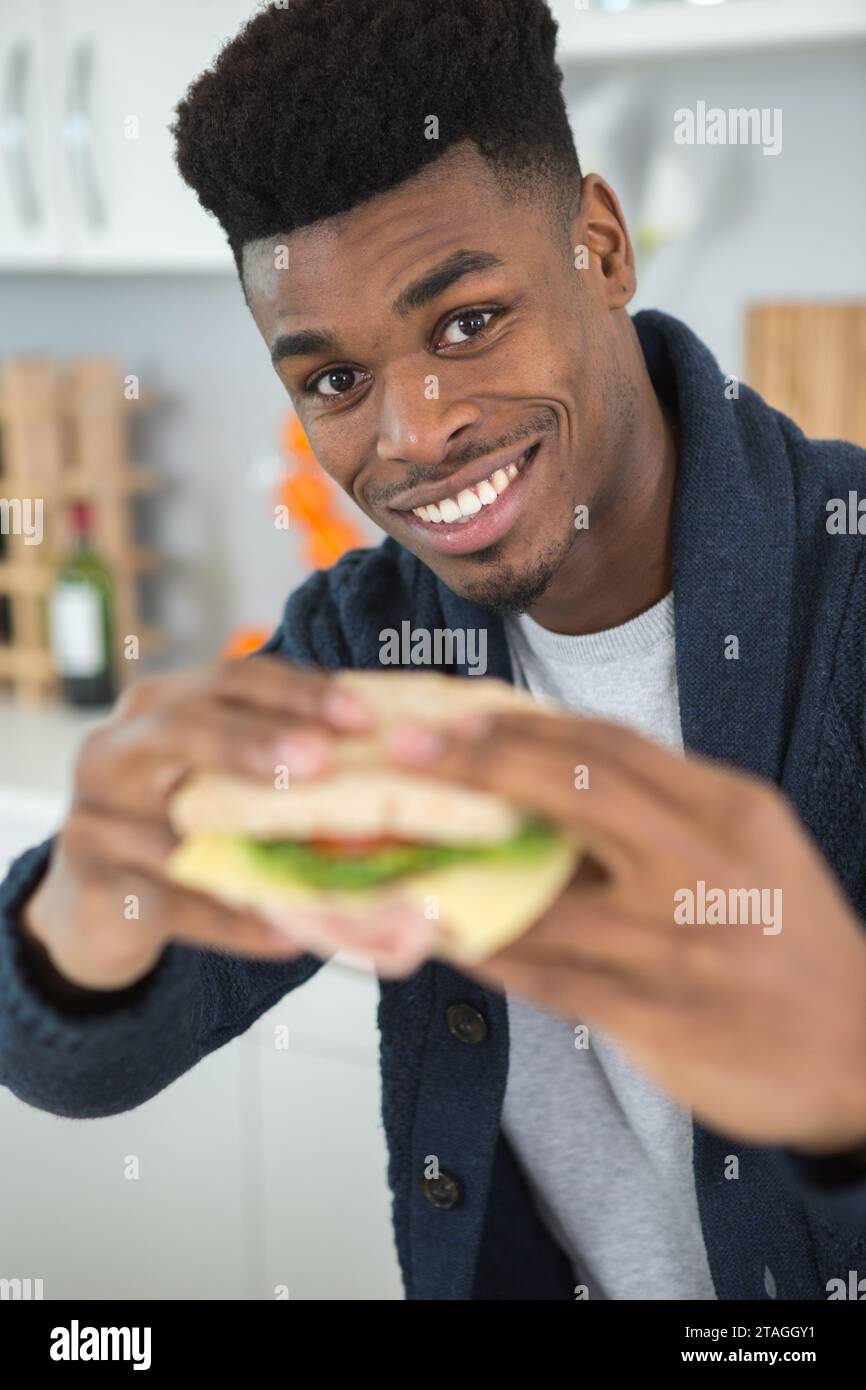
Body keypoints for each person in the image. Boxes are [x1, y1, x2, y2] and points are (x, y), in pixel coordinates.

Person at [3, 0, 866, 1301]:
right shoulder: (362, 645)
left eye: (466, 322)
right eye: (334, 381)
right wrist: (89, 903)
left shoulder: (845, 586)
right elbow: (87, 1060)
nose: (413, 432)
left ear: (602, 245)